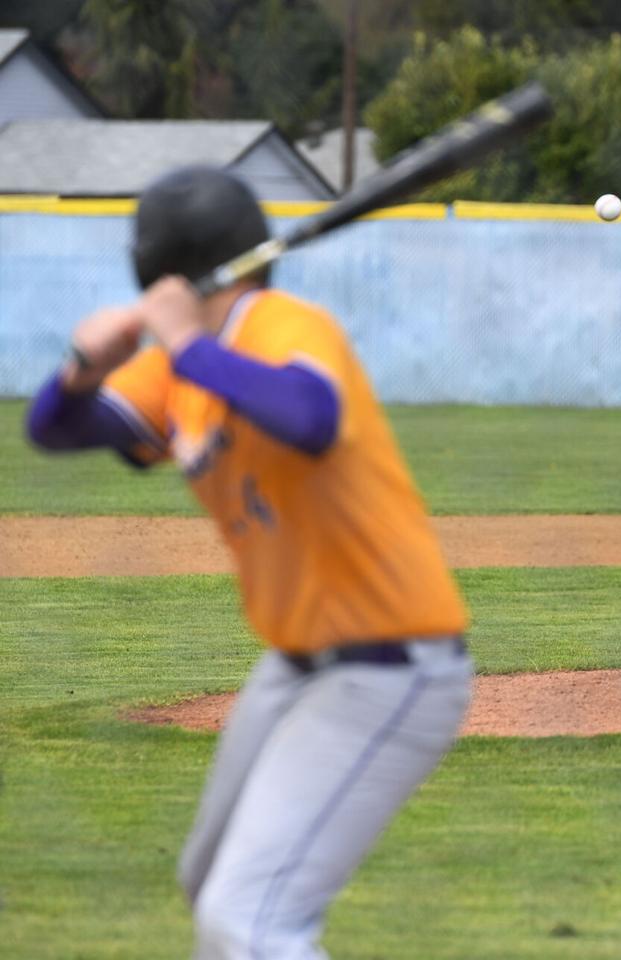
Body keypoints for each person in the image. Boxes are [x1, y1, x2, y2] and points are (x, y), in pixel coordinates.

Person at [25, 165, 473, 958]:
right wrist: (82, 368)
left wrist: (188, 343)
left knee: (250, 920)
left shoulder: (282, 324)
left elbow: (310, 416)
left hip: (391, 669)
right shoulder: (179, 368)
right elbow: (54, 429)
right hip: (296, 667)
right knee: (212, 884)